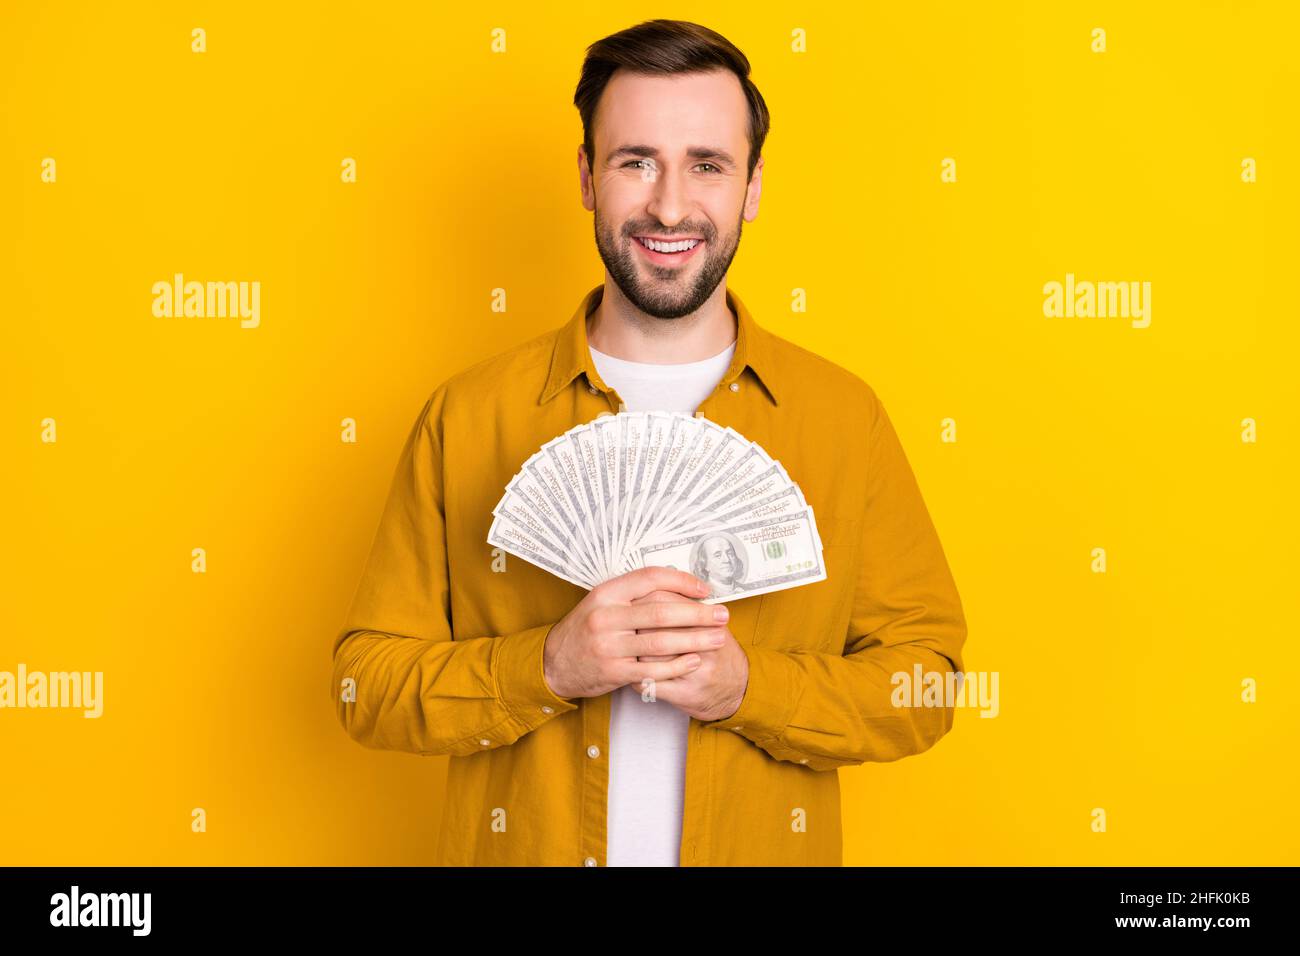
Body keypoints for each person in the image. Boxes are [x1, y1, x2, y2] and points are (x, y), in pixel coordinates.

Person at [332, 18, 967, 867]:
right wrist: (547, 667)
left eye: (707, 164)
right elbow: (364, 687)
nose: (670, 206)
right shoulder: (469, 415)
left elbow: (926, 687)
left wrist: (750, 688)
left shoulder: (843, 420)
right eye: (636, 162)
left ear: (752, 186)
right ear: (588, 178)